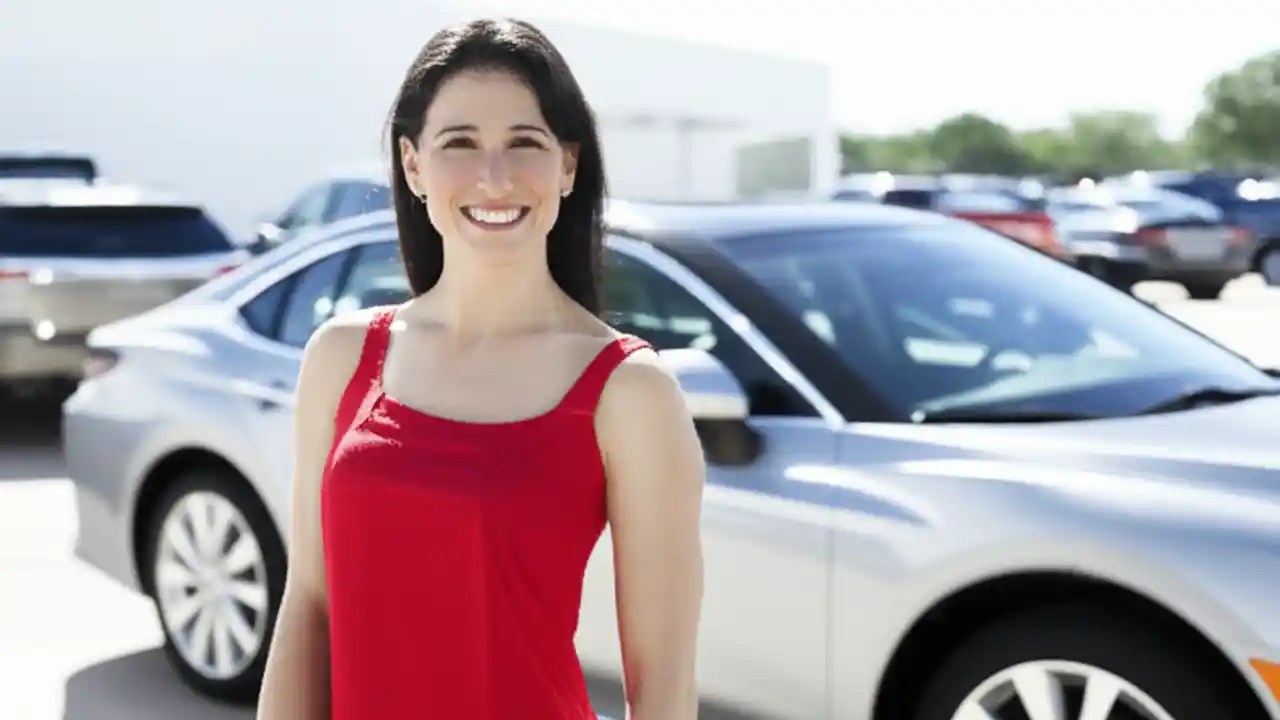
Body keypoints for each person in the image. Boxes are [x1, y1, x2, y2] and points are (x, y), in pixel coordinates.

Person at [255, 17, 705, 720]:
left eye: (523, 144)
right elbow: (309, 604)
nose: (493, 178)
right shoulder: (342, 360)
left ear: (567, 164)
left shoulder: (627, 391)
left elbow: (665, 686)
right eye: (459, 143)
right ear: (413, 165)